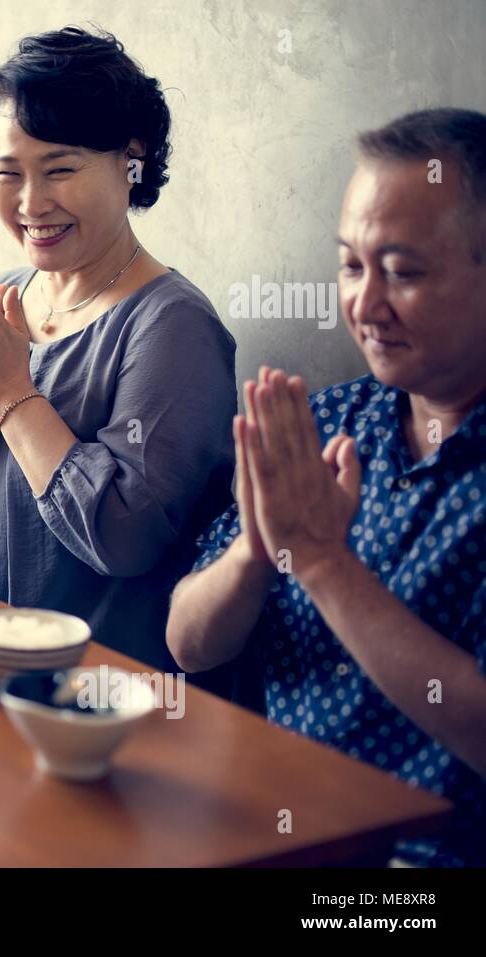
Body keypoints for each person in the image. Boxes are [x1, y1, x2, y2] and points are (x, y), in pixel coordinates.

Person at [167, 109, 486, 866]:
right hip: (261, 830)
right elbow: (188, 643)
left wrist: (320, 560)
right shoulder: (322, 423)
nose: (364, 305)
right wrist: (256, 549)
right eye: (351, 265)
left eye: (403, 271)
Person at [0, 27, 236, 672]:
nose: (31, 202)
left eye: (61, 169)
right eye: (8, 172)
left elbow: (125, 535)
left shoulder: (173, 325)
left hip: (98, 706)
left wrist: (12, 395)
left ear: (132, 160)